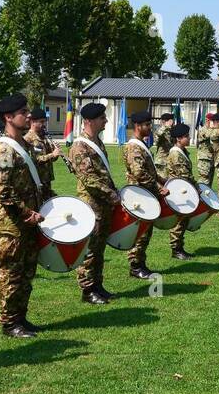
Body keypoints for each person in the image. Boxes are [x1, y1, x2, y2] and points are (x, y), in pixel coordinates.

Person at [0, 94, 45, 338]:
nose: (28, 116)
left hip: (29, 221)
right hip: (11, 224)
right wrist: (26, 213)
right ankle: (10, 322)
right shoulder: (3, 149)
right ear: (8, 117)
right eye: (23, 112)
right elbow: (2, 189)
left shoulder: (23, 145)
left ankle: (21, 317)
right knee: (11, 274)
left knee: (26, 273)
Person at [68, 102, 117, 305]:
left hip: (103, 204)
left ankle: (98, 285)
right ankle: (88, 290)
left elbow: (103, 175)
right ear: (89, 121)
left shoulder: (97, 142)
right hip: (92, 205)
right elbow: (89, 179)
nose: (105, 121)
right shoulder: (80, 146)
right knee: (89, 250)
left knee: (99, 249)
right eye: (102, 118)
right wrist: (112, 195)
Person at [124, 109, 169, 278]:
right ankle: (135, 266)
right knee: (140, 232)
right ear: (137, 126)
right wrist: (159, 188)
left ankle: (140, 263)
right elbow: (139, 173)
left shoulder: (141, 144)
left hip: (146, 193)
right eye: (147, 125)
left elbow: (150, 171)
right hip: (140, 196)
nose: (150, 127)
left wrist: (164, 180)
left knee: (146, 231)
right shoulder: (134, 147)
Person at [164, 123, 195, 260]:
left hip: (183, 189)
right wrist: (197, 188)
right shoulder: (176, 154)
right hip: (178, 191)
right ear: (178, 139)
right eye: (186, 136)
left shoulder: (182, 151)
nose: (188, 138)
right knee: (179, 221)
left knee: (183, 221)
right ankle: (176, 249)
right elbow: (184, 175)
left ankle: (179, 247)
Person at [23, 106, 62, 201]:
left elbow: (52, 159)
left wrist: (55, 151)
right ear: (32, 122)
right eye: (41, 122)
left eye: (44, 121)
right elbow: (34, 160)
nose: (43, 124)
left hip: (46, 179)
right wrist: (52, 154)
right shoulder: (28, 139)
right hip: (36, 179)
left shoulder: (43, 137)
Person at [195, 112, 216, 187]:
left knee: (210, 180)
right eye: (213, 121)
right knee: (204, 180)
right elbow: (207, 136)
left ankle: (206, 197)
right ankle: (201, 197)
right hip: (204, 159)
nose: (214, 123)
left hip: (211, 158)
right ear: (207, 120)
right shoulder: (203, 130)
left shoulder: (213, 130)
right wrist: (212, 128)